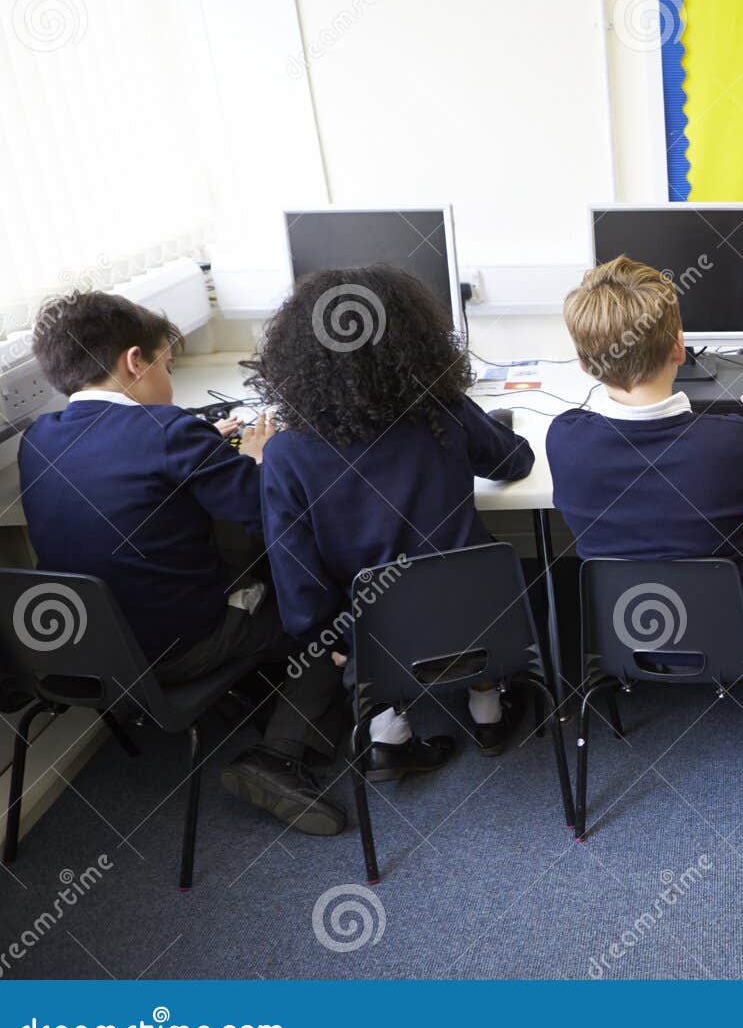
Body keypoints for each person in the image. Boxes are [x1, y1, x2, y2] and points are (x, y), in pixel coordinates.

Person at [21, 290, 346, 834]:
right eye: (166, 365)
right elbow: (270, 517)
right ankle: (277, 756)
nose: (169, 381)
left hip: (80, 652)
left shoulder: (38, 440)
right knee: (309, 595)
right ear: (134, 361)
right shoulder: (170, 432)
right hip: (178, 651)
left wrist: (204, 452)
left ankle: (261, 702)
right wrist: (257, 458)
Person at [249, 265, 533, 777]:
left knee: (357, 606)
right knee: (467, 566)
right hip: (482, 620)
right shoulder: (440, 411)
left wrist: (332, 644)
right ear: (416, 342)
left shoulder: (287, 455)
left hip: (376, 643)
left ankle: (388, 736)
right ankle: (488, 712)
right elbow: (514, 462)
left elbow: (301, 588)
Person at [545, 255, 743, 717]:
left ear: (583, 364)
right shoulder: (728, 441)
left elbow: (646, 495)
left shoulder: (565, 438)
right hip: (724, 628)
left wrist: (729, 520)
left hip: (623, 630)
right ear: (679, 347)